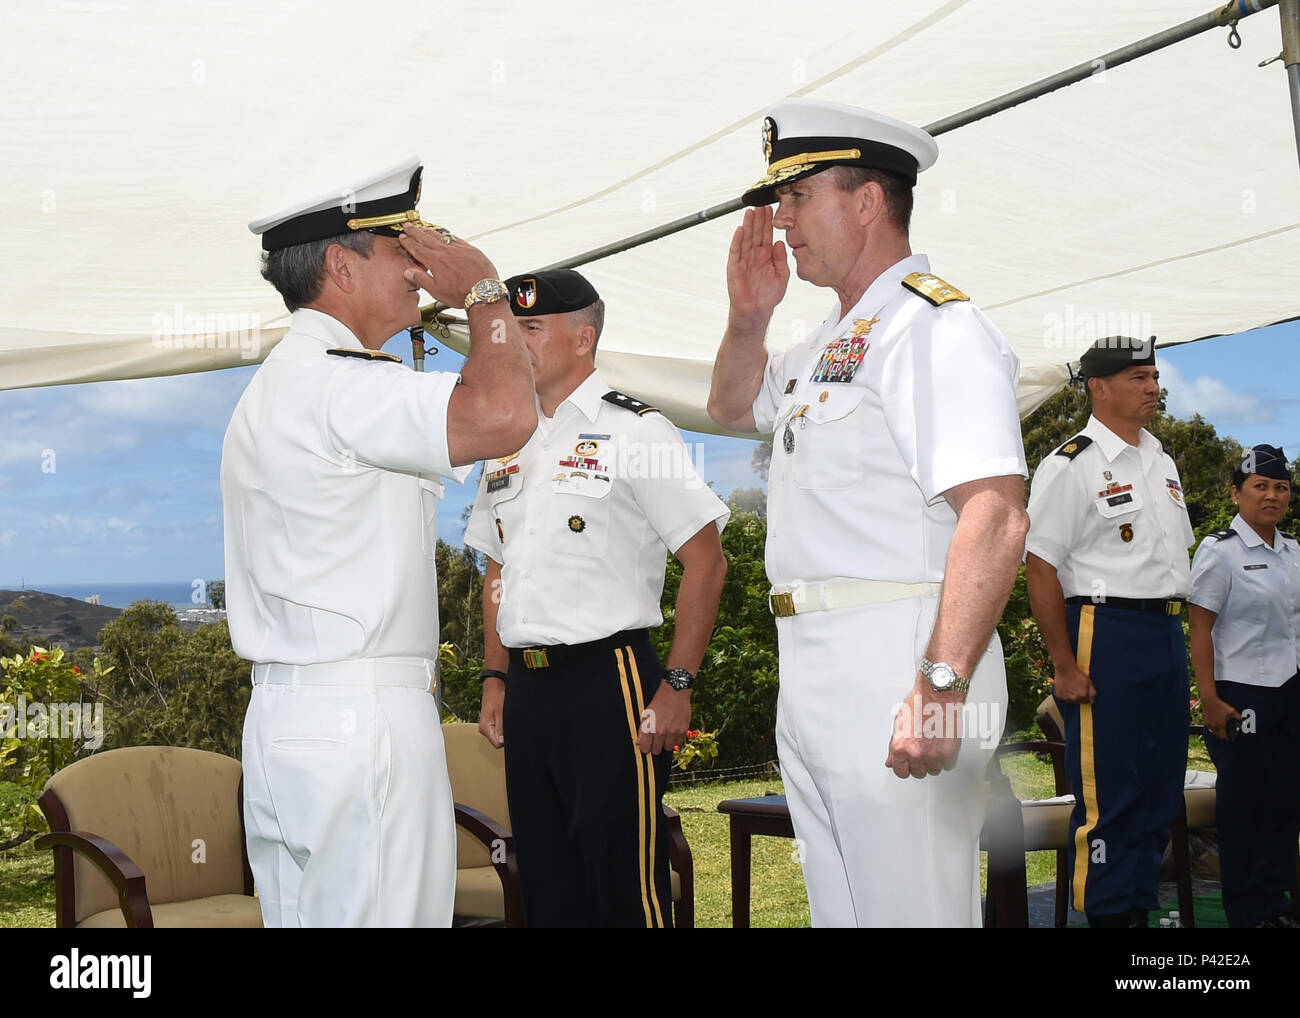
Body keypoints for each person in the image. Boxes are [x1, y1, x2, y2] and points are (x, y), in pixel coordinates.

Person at [706, 98, 1029, 927]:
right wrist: (749, 317)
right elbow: (732, 405)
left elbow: (995, 514)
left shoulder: (933, 325)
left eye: (798, 195)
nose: (782, 220)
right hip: (814, 661)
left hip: (899, 654)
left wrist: (940, 685)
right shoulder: (829, 342)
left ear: (868, 201)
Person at [223, 157, 536, 927]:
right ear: (341, 266)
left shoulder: (279, 384)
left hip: (284, 723)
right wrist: (485, 293)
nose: (420, 270)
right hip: (361, 720)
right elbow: (505, 415)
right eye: (402, 248)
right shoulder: (345, 384)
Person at [466, 268, 729, 927]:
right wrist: (495, 678)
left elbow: (707, 561)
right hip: (528, 691)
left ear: (583, 339)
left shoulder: (638, 431)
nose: (515, 342)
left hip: (608, 683)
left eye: (531, 328)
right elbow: (497, 567)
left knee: (623, 888)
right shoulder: (506, 438)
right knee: (548, 889)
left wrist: (677, 684)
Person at [1024, 336, 1195, 928]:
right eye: (1137, 378)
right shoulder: (1070, 464)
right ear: (1098, 388)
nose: (1153, 388)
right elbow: (1040, 567)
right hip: (1105, 631)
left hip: (1165, 631)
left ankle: (1138, 909)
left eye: (1154, 377)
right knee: (1110, 793)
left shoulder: (1162, 461)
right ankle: (1108, 914)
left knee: (1160, 789)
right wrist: (1063, 665)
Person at [1189, 444, 1300, 928]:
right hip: (1241, 692)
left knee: (1285, 802)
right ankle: (1248, 914)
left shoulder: (1294, 551)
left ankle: (1277, 905)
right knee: (1244, 807)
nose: (1272, 495)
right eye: (1260, 486)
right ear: (1237, 493)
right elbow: (1199, 627)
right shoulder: (1221, 551)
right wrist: (1210, 699)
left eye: (1281, 487)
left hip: (1290, 690)